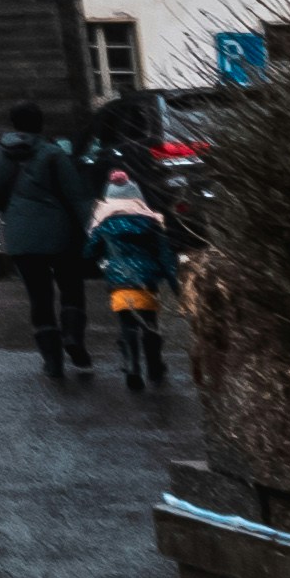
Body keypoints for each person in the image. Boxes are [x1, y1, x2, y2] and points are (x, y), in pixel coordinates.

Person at [0, 105, 108, 379]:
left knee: (39, 296)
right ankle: (73, 338)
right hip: (61, 234)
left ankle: (52, 361)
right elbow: (77, 197)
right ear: (41, 124)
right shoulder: (53, 154)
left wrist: (10, 208)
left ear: (14, 124)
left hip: (21, 237)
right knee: (71, 288)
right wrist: (93, 229)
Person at [88, 155, 177, 398]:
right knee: (150, 323)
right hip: (146, 282)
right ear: (138, 197)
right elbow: (166, 257)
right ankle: (155, 367)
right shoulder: (152, 224)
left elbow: (89, 252)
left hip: (119, 282)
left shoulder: (104, 225)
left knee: (127, 325)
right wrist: (175, 284)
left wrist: (98, 261)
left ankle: (132, 368)